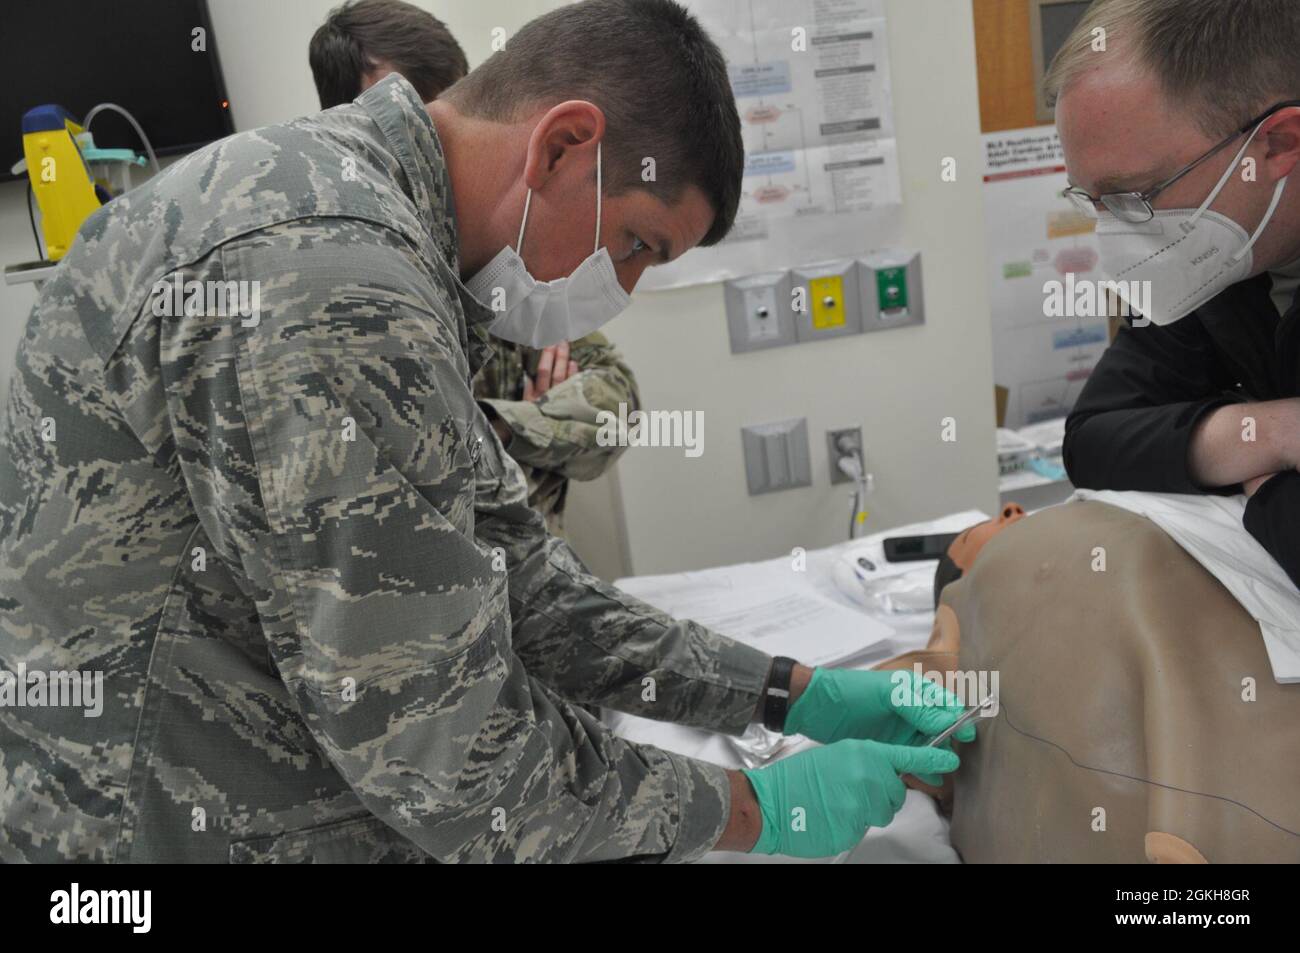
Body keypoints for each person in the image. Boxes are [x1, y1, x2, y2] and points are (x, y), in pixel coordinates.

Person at [0, 0, 969, 863]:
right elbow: (437, 746)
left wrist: (785, 690)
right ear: (562, 146)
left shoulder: (350, 222)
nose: (621, 293)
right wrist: (754, 805)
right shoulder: (332, 277)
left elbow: (524, 581)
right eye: (634, 244)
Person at [310, 0, 642, 534]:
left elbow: (619, 408)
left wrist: (502, 428)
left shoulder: (504, 268)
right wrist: (533, 446)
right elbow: (416, 514)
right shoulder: (352, 280)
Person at [1051, 0, 1300, 588]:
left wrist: (1260, 482)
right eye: (1091, 200)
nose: (1112, 231)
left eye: (1133, 195)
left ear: (1279, 143)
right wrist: (1269, 433)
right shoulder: (1224, 256)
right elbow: (1093, 439)